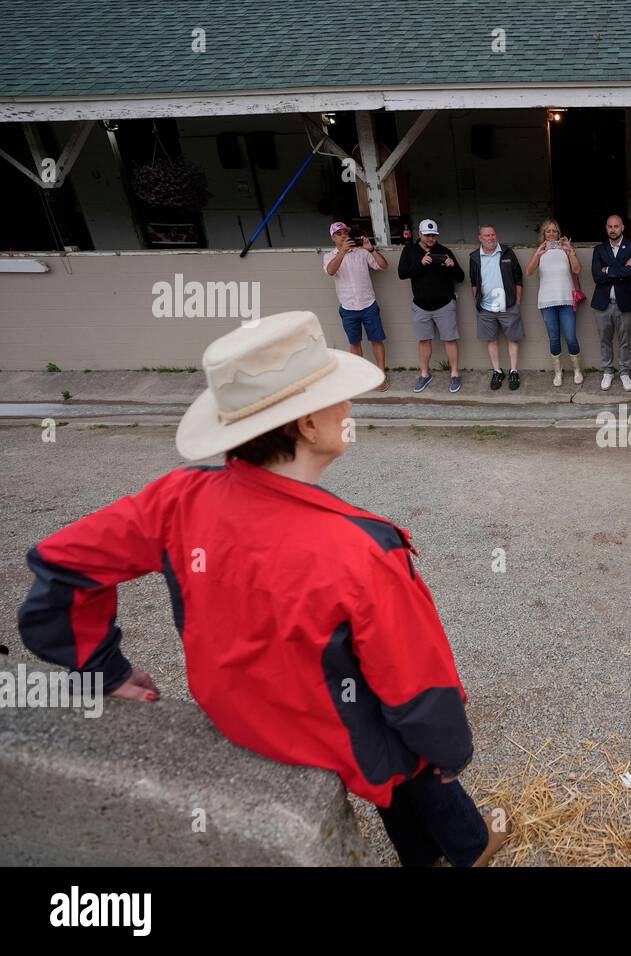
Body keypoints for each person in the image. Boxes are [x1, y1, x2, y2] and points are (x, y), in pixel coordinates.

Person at [16, 311, 509, 867]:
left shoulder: (178, 498)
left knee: (398, 753)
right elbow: (418, 688)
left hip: (242, 717)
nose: (349, 408)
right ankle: (465, 849)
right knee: (413, 758)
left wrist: (103, 668)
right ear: (305, 425)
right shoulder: (362, 551)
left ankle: (438, 852)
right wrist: (452, 749)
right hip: (335, 733)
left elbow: (62, 564)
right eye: (336, 397)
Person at [398, 219, 464, 393]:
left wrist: (451, 266)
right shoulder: (410, 251)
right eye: (427, 235)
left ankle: (455, 373)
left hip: (444, 304)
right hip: (420, 305)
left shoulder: (444, 251)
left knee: (449, 339)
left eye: (434, 235)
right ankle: (425, 374)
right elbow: (402, 274)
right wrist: (420, 264)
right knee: (424, 340)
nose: (431, 239)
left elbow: (460, 277)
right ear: (419, 234)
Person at [323, 221, 390, 391]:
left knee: (376, 340)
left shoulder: (362, 253)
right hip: (348, 307)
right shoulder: (329, 256)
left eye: (346, 232)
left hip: (368, 304)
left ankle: (381, 374)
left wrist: (371, 249)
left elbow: (384, 266)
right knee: (354, 342)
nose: (344, 235)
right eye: (339, 233)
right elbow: (331, 271)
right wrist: (342, 253)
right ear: (333, 237)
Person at [526, 218, 583, 386]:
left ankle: (577, 370)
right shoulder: (540, 251)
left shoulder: (566, 250)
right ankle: (558, 373)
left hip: (566, 300)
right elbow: (528, 272)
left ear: (559, 233)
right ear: (543, 234)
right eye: (548, 231)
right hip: (546, 302)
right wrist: (538, 253)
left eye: (554, 231)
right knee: (554, 338)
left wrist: (570, 251)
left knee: (571, 337)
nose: (551, 234)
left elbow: (577, 269)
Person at [469, 225, 525, 391]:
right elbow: (473, 283)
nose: (490, 238)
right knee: (491, 340)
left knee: (513, 338)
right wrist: (477, 303)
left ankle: (514, 371)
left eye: (493, 234)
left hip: (508, 305)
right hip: (485, 308)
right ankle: (497, 371)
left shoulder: (507, 253)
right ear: (480, 238)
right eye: (486, 235)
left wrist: (517, 302)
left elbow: (518, 279)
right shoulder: (474, 257)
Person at [591, 214, 631, 392]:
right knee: (605, 340)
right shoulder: (599, 249)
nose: (613, 230)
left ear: (622, 228)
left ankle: (625, 372)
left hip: (626, 302)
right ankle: (608, 371)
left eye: (616, 226)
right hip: (603, 303)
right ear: (606, 228)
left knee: (625, 340)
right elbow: (597, 276)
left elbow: (630, 273)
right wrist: (619, 269)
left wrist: (607, 269)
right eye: (610, 226)